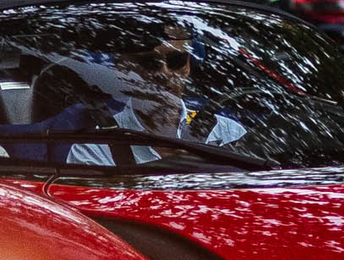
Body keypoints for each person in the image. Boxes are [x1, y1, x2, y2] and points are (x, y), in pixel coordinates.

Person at [65, 21, 246, 166]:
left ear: (187, 67)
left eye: (176, 60)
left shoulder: (228, 132)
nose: (164, 72)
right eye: (150, 62)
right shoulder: (95, 149)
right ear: (124, 68)